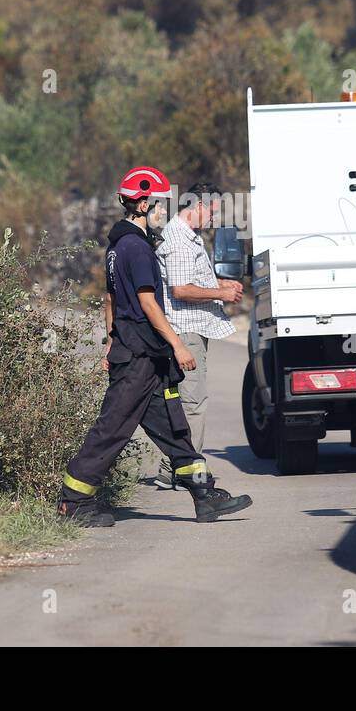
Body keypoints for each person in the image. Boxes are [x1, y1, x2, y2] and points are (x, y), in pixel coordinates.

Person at [57, 166, 254, 527]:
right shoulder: (137, 248)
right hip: (138, 358)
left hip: (144, 355)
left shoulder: (118, 247)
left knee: (174, 428)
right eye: (160, 203)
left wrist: (110, 343)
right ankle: (73, 503)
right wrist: (177, 344)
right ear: (144, 204)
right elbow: (149, 303)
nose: (164, 210)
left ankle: (203, 495)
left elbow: (110, 300)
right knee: (112, 429)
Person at [153, 182, 243, 487]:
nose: (214, 218)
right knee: (193, 402)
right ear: (199, 205)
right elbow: (181, 289)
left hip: (191, 329)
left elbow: (188, 279)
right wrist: (220, 293)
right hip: (185, 330)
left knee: (186, 400)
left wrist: (221, 285)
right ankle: (188, 470)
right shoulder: (179, 239)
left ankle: (173, 468)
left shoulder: (189, 237)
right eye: (213, 211)